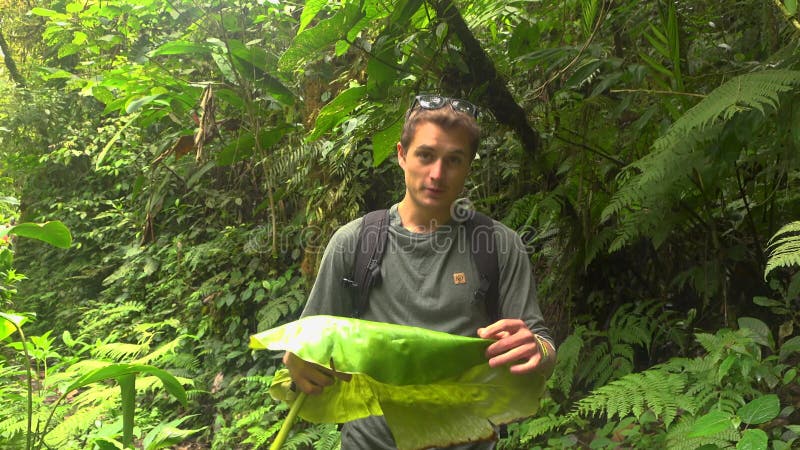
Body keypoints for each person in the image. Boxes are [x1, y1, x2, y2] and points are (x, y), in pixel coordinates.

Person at [283, 94, 556, 449]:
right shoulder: (355, 242)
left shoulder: (499, 245)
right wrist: (296, 362)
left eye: (454, 160)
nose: (437, 174)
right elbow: (309, 344)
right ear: (401, 155)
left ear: (468, 166)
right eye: (425, 155)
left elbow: (544, 349)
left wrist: (537, 350)